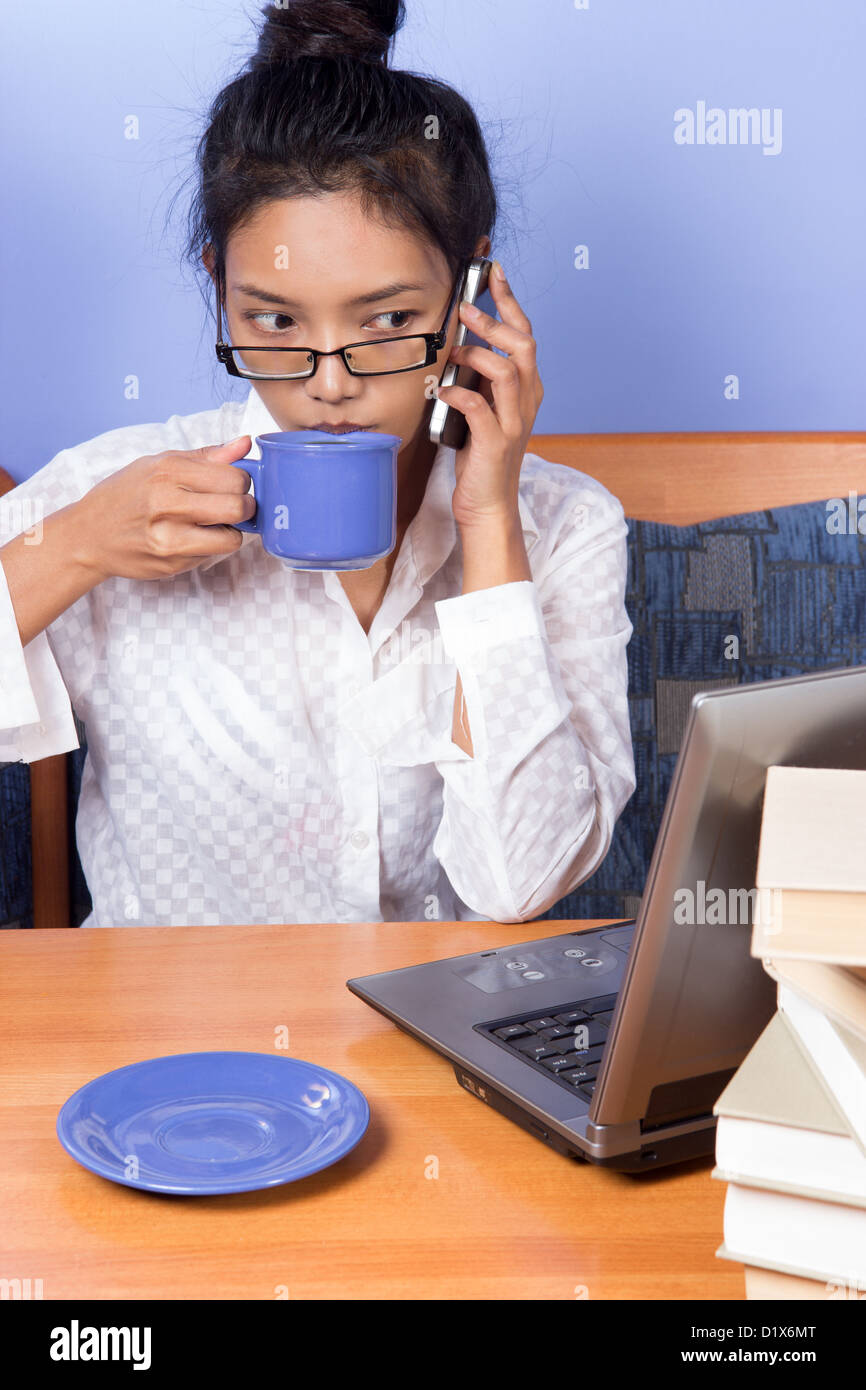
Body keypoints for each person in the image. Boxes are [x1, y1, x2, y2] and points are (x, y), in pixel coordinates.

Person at [0, 0, 636, 928]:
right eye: (276, 322)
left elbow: (519, 886)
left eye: (384, 322)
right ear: (218, 284)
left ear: (471, 289)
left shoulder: (564, 526)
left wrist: (489, 526)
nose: (329, 385)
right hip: (166, 1047)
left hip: (423, 1049)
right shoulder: (114, 493)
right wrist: (71, 551)